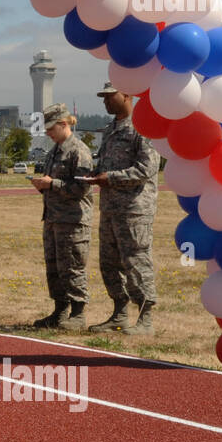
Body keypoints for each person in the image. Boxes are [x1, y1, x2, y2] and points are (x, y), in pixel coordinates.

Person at [78, 82, 160, 335]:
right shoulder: (111, 129)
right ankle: (120, 313)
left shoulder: (143, 127)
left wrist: (109, 178)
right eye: (103, 98)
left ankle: (145, 319)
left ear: (126, 95)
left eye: (108, 97)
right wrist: (95, 174)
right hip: (111, 208)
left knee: (136, 261)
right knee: (109, 263)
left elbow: (147, 169)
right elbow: (105, 162)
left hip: (134, 209)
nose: (104, 102)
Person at [29, 104, 93, 330]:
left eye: (50, 129)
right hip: (53, 218)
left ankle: (78, 313)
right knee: (55, 267)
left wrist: (52, 184)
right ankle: (59, 310)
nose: (47, 133)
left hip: (73, 221)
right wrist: (42, 185)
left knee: (73, 266)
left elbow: (82, 188)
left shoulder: (78, 150)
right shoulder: (54, 150)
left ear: (63, 124)